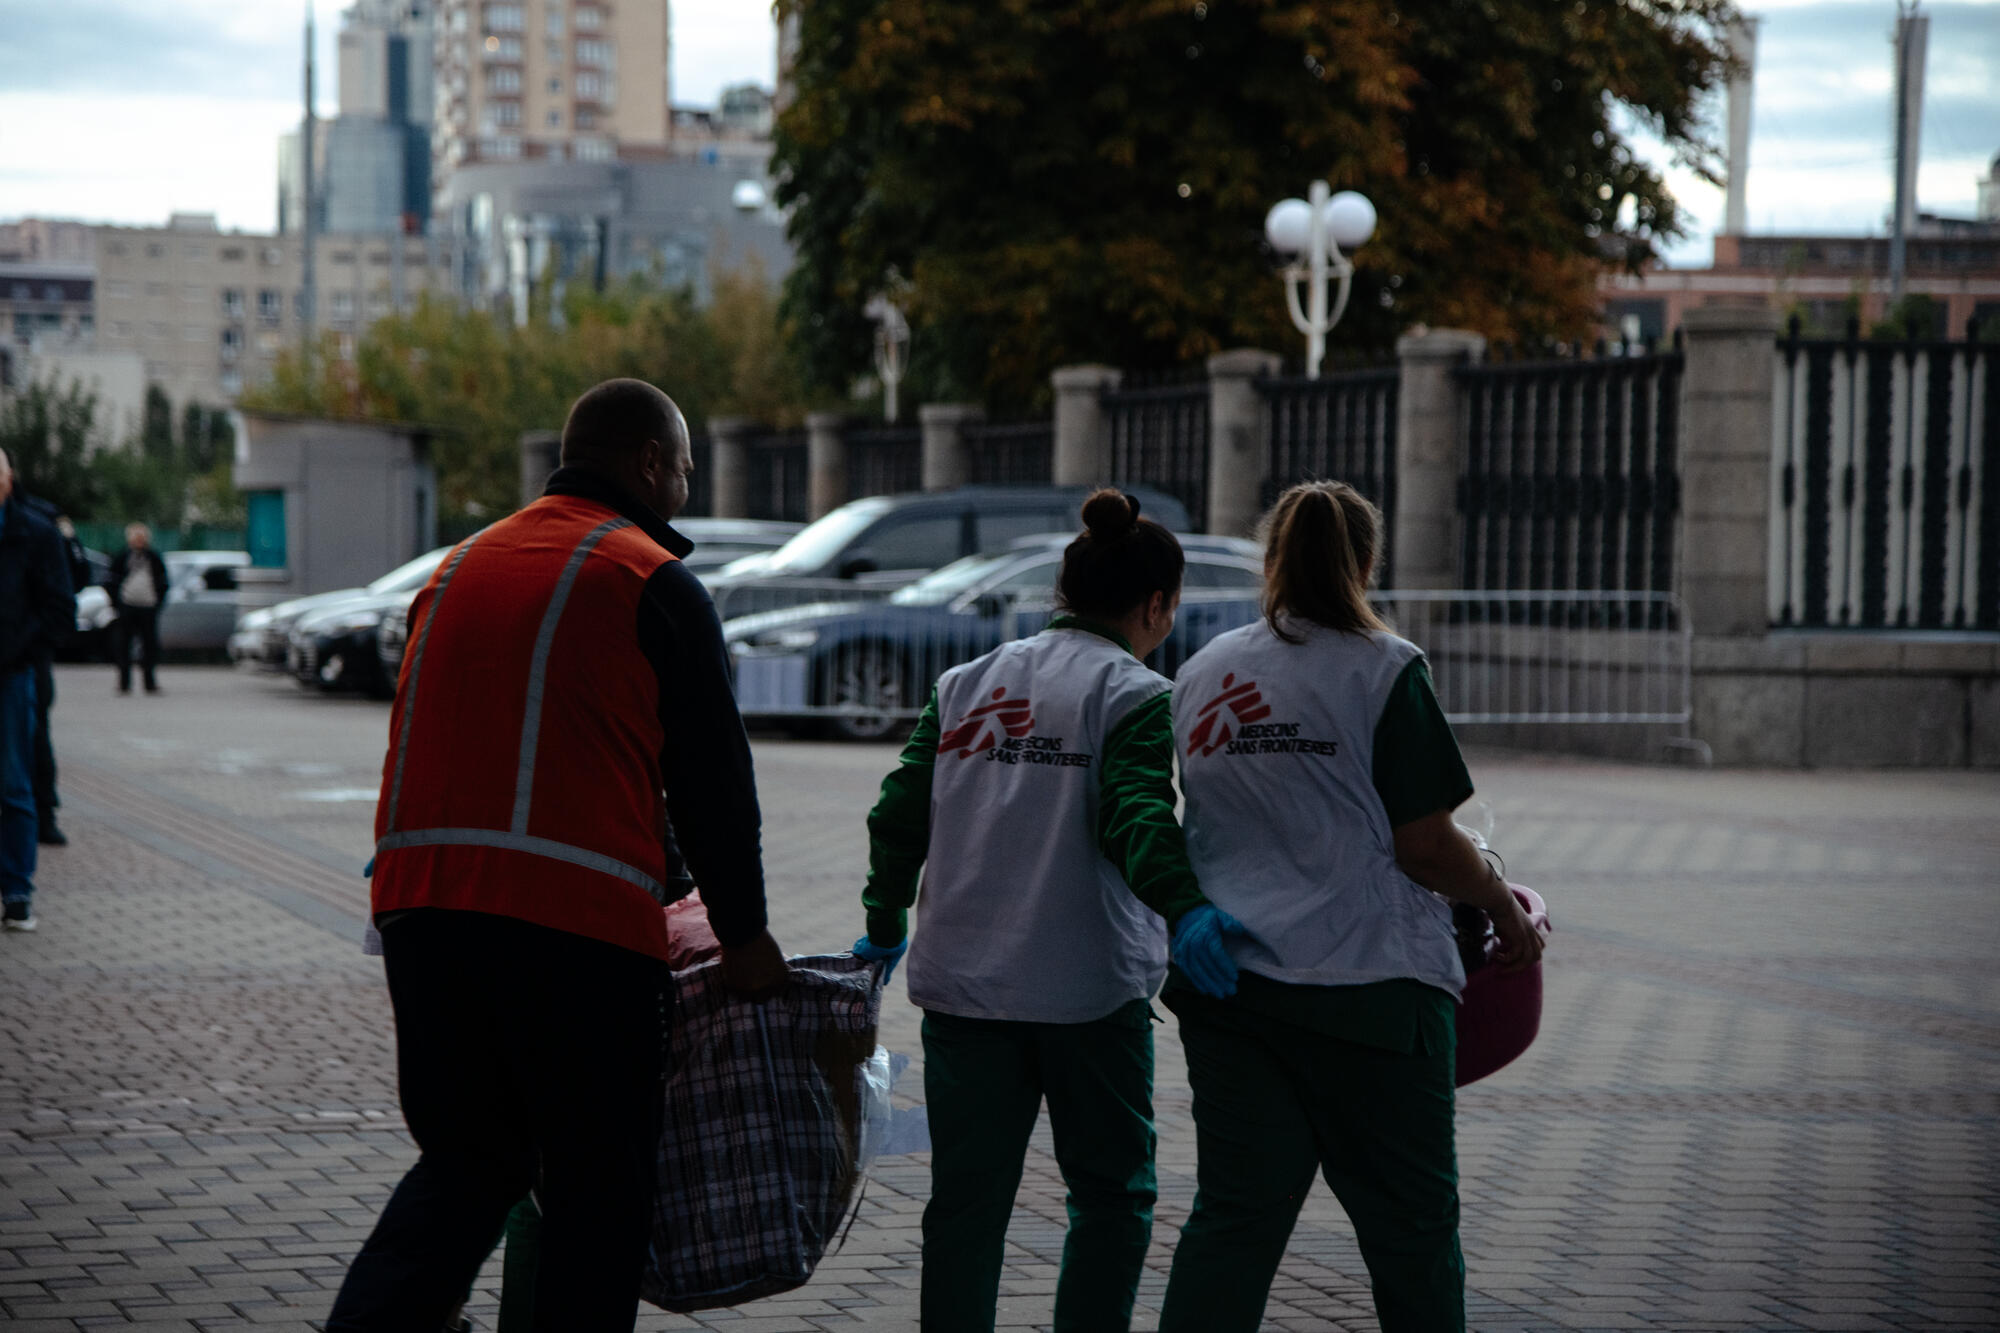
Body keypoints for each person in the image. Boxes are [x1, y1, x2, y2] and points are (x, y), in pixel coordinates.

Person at [326, 378, 789, 1332]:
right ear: (652, 464)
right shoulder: (646, 577)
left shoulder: (455, 566)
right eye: (687, 471)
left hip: (421, 916)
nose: (687, 492)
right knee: (595, 1194)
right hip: (572, 939)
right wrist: (744, 936)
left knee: (469, 1162)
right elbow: (712, 781)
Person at [1155, 481, 1545, 1333]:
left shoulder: (1201, 672)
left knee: (1232, 1225)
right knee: (1412, 1239)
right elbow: (1428, 845)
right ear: (1366, 564)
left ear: (1271, 561)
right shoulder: (1386, 669)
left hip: (1234, 998)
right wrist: (1503, 907)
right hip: (1373, 997)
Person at [856, 489, 1245, 1333]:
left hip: (961, 989)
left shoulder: (964, 684)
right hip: (1087, 995)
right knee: (1110, 1196)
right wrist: (1187, 909)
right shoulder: (1135, 693)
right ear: (1156, 605)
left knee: (965, 1205)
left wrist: (884, 920)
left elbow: (898, 811)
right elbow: (1138, 818)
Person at [0, 446, 75, 933]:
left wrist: (22, 653)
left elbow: (59, 610)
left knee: (13, 781)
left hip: (13, 674)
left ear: (7, 479)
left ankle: (17, 889)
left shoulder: (35, 533)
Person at [16, 494, 90, 845]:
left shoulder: (40, 519)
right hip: (30, 650)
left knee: (34, 732)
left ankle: (43, 812)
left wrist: (38, 636)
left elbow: (74, 575)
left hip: (27, 655)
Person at [106, 522, 168, 695]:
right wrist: (117, 603)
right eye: (136, 537)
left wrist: (157, 603)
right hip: (127, 606)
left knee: (150, 646)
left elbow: (163, 583)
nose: (139, 541)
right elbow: (110, 582)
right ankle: (124, 682)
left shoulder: (153, 558)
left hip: (148, 607)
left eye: (142, 537)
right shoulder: (122, 557)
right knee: (123, 645)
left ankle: (150, 682)